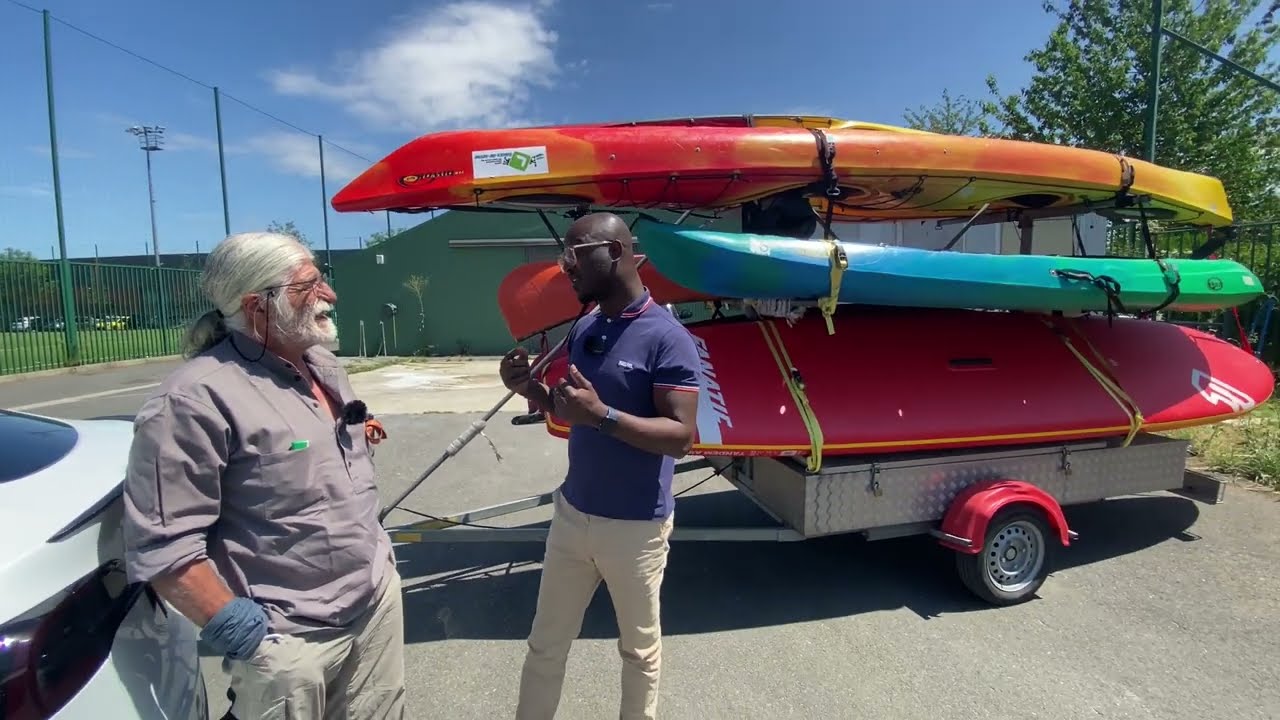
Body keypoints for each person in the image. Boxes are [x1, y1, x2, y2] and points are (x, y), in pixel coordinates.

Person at [119, 231, 406, 720]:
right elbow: (164, 547)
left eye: (322, 281)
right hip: (288, 642)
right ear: (257, 306)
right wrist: (251, 641)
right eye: (308, 286)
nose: (329, 295)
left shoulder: (323, 365)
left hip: (374, 606)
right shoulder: (193, 401)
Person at [501, 212, 703, 720]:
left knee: (638, 652)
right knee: (545, 644)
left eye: (572, 255)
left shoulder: (667, 337)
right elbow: (570, 410)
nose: (563, 267)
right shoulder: (588, 324)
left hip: (635, 528)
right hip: (573, 516)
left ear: (613, 253)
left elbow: (680, 438)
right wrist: (529, 390)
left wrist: (604, 416)